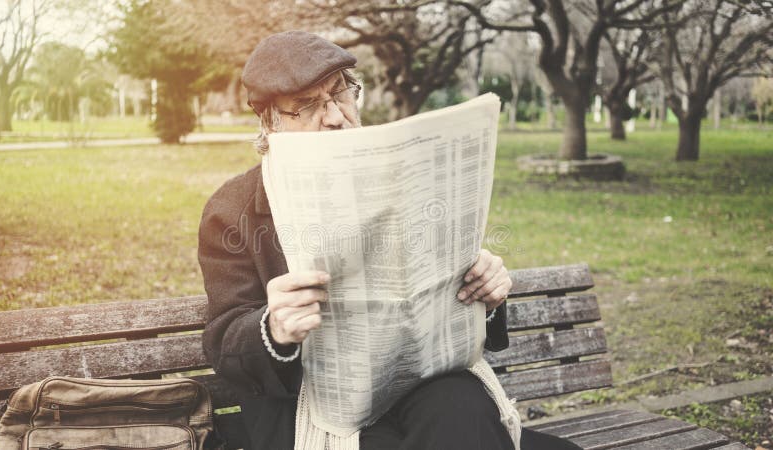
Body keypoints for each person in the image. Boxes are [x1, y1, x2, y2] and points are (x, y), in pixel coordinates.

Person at [199, 30, 582, 450]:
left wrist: (486, 293)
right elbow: (223, 342)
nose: (334, 116)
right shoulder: (232, 210)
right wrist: (273, 328)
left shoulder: (404, 174)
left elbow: (444, 290)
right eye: (307, 105)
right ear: (270, 122)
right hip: (314, 413)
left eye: (340, 93)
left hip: (418, 386)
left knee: (462, 404)